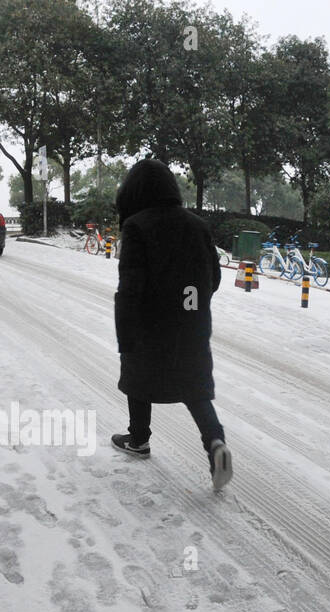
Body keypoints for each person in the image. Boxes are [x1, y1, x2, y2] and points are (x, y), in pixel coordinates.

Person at [109, 158, 232, 491]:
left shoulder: (136, 226)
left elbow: (131, 287)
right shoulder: (198, 225)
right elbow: (214, 278)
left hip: (151, 322)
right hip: (191, 321)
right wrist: (190, 303)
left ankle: (139, 439)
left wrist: (126, 333)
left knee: (138, 375)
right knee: (194, 386)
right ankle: (215, 444)